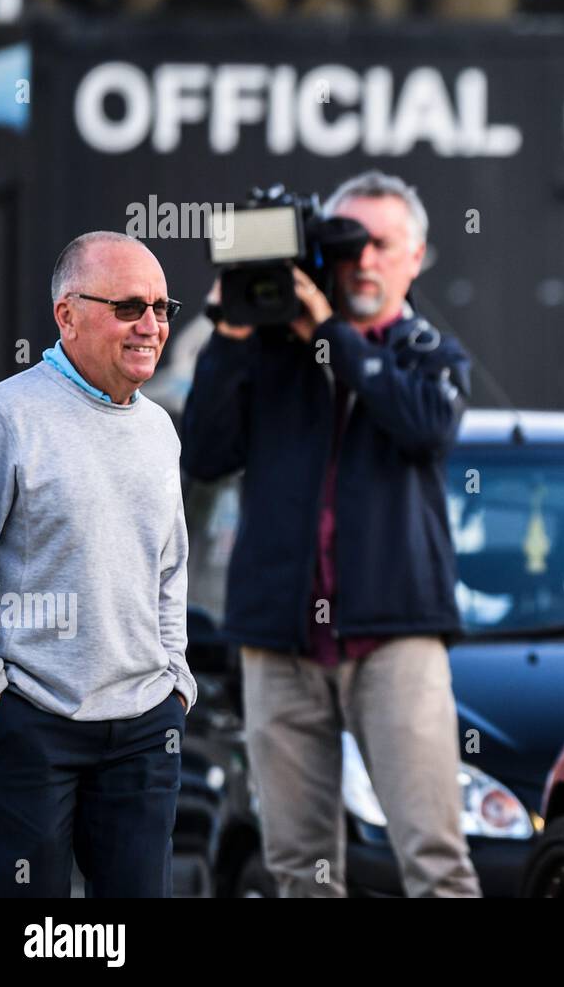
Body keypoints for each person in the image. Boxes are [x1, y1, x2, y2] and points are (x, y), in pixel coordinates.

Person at [180, 171, 479, 898]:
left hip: (395, 639)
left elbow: (422, 425)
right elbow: (203, 453)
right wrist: (229, 331)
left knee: (435, 861)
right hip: (279, 642)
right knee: (298, 869)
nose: (364, 260)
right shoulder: (270, 354)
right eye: (347, 243)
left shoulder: (430, 353)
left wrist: (330, 335)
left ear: (418, 256)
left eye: (382, 243)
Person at [0, 231, 194, 898]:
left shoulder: (159, 427)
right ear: (66, 315)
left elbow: (170, 568)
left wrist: (175, 680)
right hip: (32, 720)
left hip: (145, 726)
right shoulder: (4, 416)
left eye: (161, 307)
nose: (151, 325)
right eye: (129, 306)